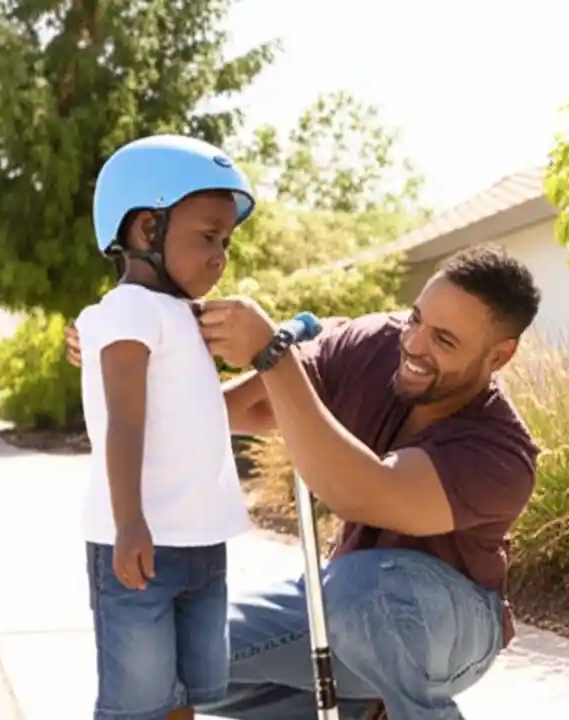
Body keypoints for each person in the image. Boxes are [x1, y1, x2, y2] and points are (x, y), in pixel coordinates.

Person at [69, 243, 543, 719]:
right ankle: (358, 710)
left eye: (444, 340)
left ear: (499, 355)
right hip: (343, 605)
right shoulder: (376, 344)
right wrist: (123, 349)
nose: (415, 343)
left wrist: (272, 355)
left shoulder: (501, 453)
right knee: (171, 651)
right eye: (416, 318)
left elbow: (362, 494)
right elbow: (251, 406)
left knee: (362, 590)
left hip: (451, 630)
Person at [72, 133, 260, 720]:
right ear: (147, 231)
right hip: (140, 544)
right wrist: (130, 522)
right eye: (208, 237)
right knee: (138, 706)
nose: (220, 256)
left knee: (182, 697)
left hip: (201, 542)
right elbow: (124, 422)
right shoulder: (128, 310)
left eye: (226, 241)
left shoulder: (184, 316)